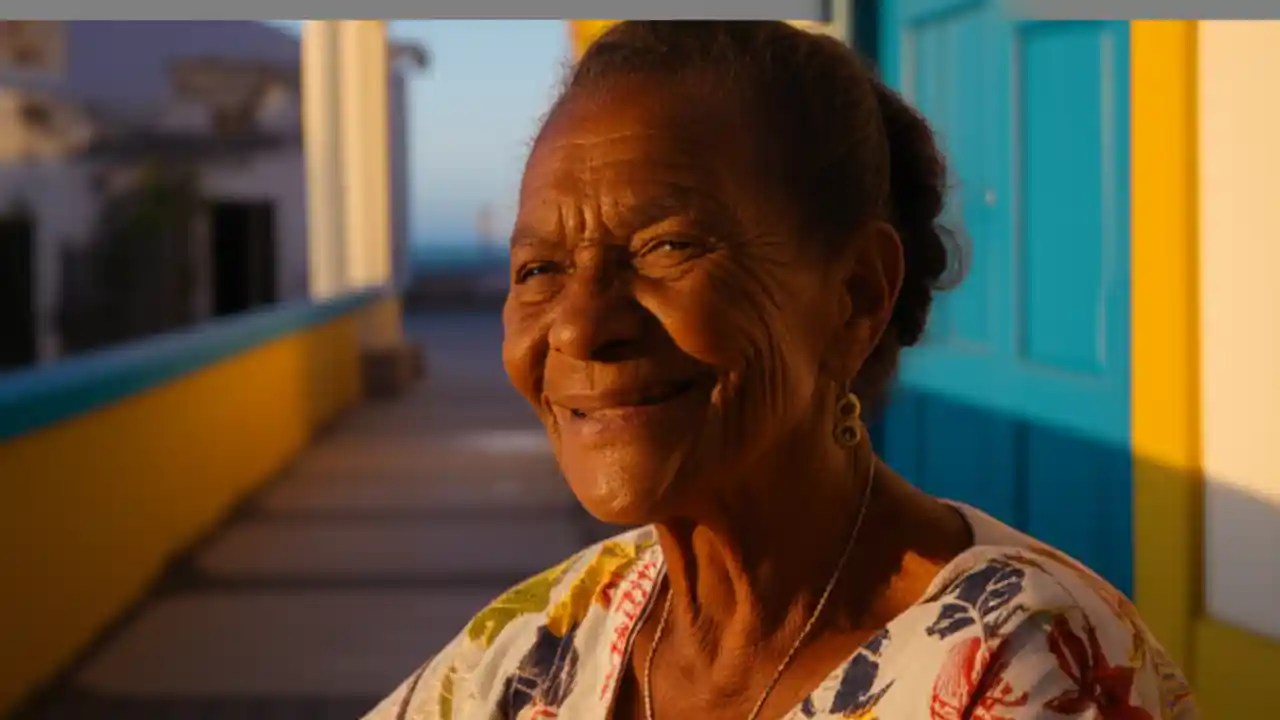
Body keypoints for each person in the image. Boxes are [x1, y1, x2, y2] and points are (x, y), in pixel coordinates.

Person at [365, 20, 1198, 720]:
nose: (580, 326)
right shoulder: (539, 645)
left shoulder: (1021, 662)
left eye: (667, 247)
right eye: (539, 270)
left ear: (854, 295)